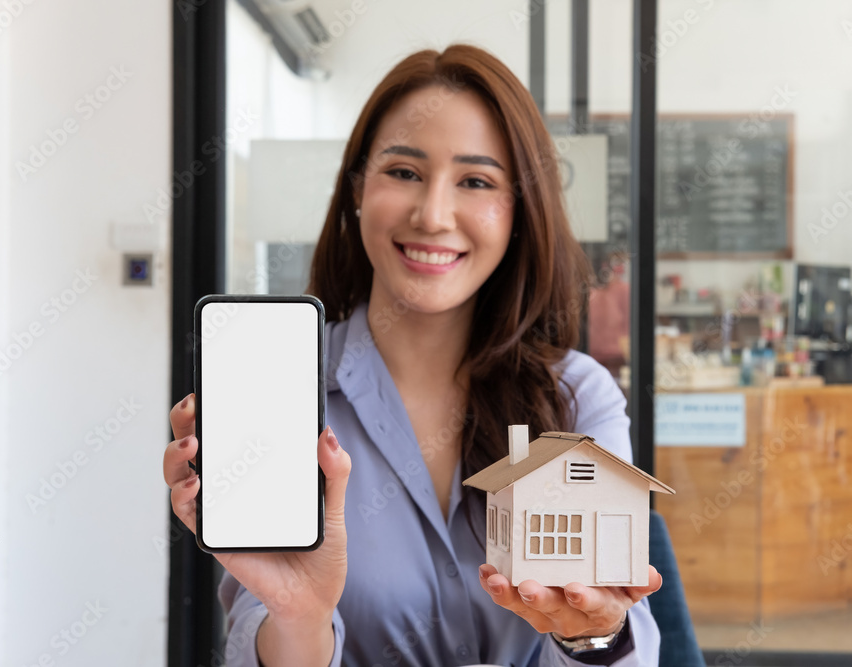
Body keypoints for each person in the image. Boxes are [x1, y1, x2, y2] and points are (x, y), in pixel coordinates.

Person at [163, 44, 662, 667]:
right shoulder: (282, 392)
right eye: (404, 172)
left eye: (476, 181)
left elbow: (627, 644)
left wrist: (591, 636)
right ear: (356, 190)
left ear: (519, 212)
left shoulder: (579, 396)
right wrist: (301, 613)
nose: (432, 214)